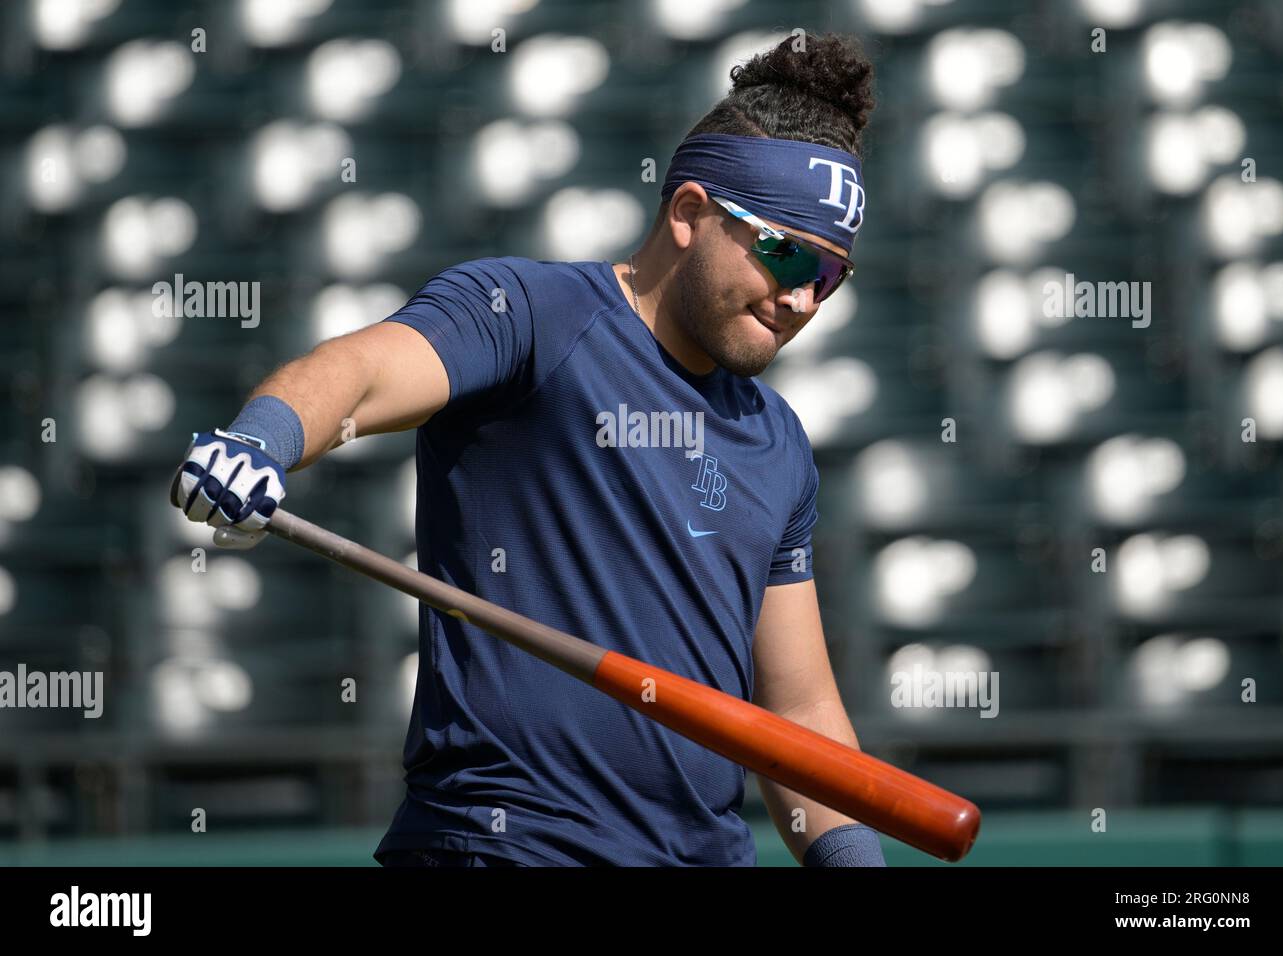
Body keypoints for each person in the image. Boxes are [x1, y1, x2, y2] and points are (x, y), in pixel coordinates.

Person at [169, 31, 885, 867]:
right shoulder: (528, 314)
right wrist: (265, 440)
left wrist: (848, 862)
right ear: (690, 214)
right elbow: (360, 372)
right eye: (785, 250)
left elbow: (797, 714)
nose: (801, 297)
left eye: (828, 275)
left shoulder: (780, 441)